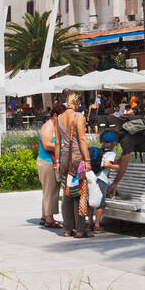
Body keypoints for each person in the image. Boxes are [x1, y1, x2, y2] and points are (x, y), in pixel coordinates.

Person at [105, 110, 145, 201]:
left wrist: (115, 183)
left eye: (109, 145)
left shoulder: (126, 140)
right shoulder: (121, 134)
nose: (110, 147)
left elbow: (124, 165)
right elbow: (123, 158)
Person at [56, 93, 89, 239]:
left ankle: (67, 229)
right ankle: (80, 229)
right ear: (76, 103)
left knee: (67, 192)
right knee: (79, 193)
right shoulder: (78, 117)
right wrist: (87, 160)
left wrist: (57, 162)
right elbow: (82, 139)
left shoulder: (59, 117)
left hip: (64, 158)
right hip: (77, 158)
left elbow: (58, 143)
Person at [36, 102, 62, 229]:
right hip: (47, 161)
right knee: (51, 191)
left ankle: (44, 215)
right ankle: (50, 219)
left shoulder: (56, 126)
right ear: (55, 115)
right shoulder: (48, 126)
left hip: (50, 161)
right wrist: (62, 146)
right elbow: (46, 145)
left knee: (48, 190)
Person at [90, 131, 119, 234]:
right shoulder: (111, 153)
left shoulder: (97, 151)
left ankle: (90, 222)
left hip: (92, 178)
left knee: (91, 200)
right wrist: (118, 167)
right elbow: (107, 164)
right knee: (100, 203)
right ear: (113, 144)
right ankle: (97, 225)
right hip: (101, 180)